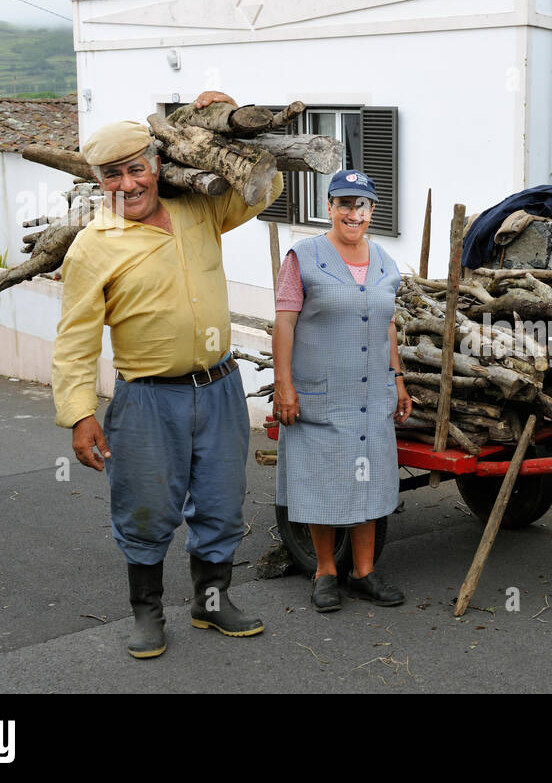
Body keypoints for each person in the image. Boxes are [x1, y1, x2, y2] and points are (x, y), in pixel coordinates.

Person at [52, 90, 283, 658]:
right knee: (146, 505)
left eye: (135, 169)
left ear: (156, 166)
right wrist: (80, 414)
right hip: (148, 400)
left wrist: (222, 119)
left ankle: (211, 604)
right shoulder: (92, 246)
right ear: (98, 181)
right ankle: (148, 613)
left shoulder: (198, 209)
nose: (127, 184)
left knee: (221, 501)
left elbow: (265, 187)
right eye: (112, 175)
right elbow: (76, 340)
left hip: (221, 388)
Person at [272, 169, 411, 613]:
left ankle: (365, 572)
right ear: (329, 207)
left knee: (368, 482)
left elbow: (388, 323)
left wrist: (399, 379)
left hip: (372, 395)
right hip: (321, 394)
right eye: (345, 204)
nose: (354, 213)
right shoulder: (303, 255)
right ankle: (326, 571)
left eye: (362, 205)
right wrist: (283, 384)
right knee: (323, 480)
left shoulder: (386, 262)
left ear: (373, 211)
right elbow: (284, 321)